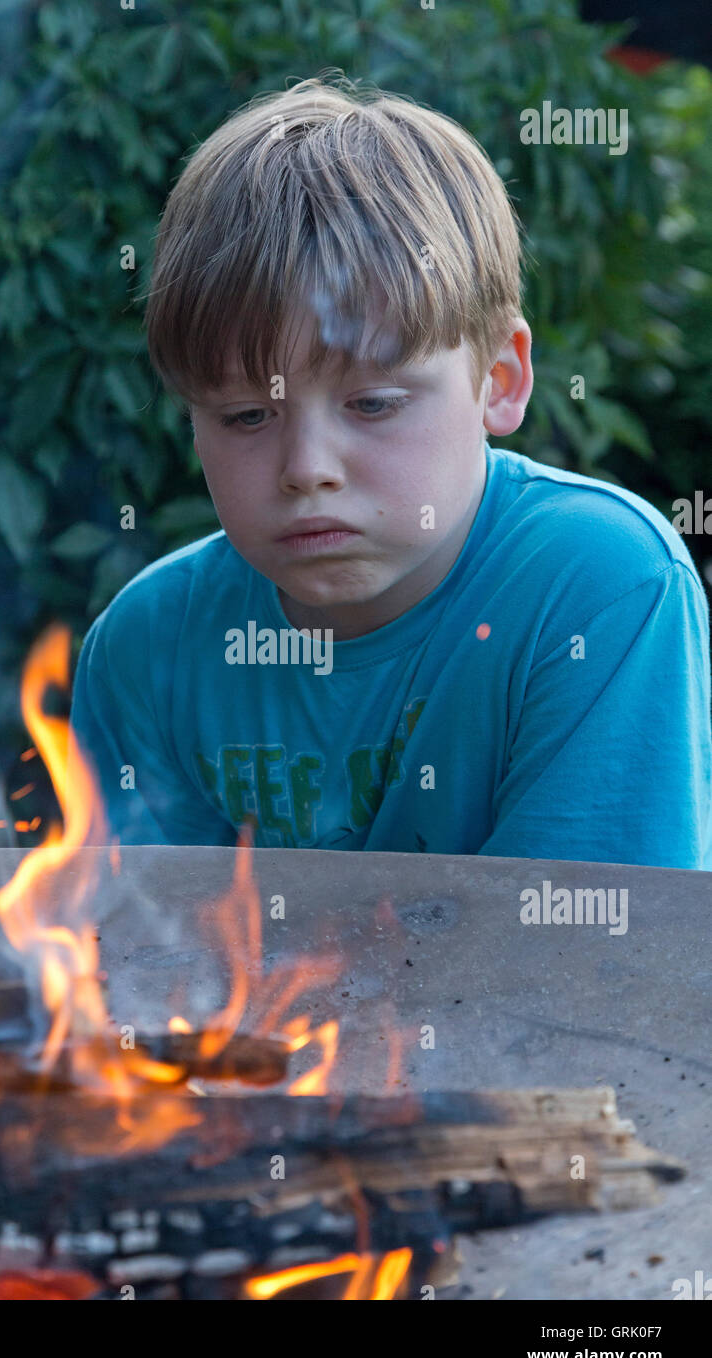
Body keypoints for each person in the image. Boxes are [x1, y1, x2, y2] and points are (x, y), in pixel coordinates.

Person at [70, 76, 712, 867]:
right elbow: (136, 971)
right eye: (246, 416)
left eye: (372, 404)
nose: (307, 470)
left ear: (499, 380)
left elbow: (584, 967)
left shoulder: (600, 588)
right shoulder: (145, 649)